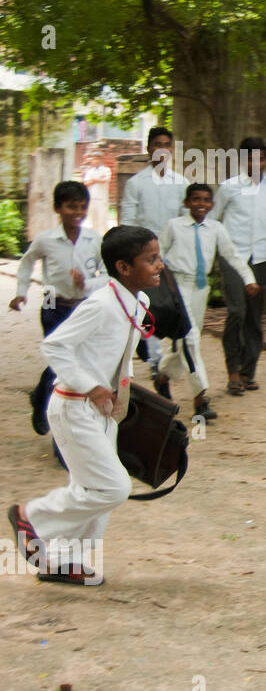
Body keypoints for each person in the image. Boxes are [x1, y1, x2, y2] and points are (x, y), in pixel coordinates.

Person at [7, 225, 163, 585]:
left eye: (158, 257)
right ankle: (30, 516)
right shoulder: (101, 305)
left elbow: (116, 356)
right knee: (112, 488)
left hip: (105, 411)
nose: (159, 265)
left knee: (89, 490)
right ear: (124, 267)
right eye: (150, 259)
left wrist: (119, 395)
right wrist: (92, 386)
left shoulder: (139, 302)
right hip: (74, 407)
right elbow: (54, 346)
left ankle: (60, 562)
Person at [9, 181, 107, 435]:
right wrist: (21, 293)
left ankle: (52, 401)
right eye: (70, 206)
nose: (77, 211)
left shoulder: (94, 240)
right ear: (57, 208)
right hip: (54, 305)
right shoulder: (46, 240)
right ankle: (43, 403)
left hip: (83, 306)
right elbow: (26, 264)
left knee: (76, 360)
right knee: (59, 359)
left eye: (82, 206)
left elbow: (107, 275)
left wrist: (88, 283)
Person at [156, 183, 259, 421]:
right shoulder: (174, 226)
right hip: (178, 286)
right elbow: (158, 254)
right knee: (190, 340)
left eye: (205, 200)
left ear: (212, 205)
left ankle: (162, 377)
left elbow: (232, 255)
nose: (200, 204)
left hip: (201, 289)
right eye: (195, 199)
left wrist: (248, 279)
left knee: (188, 341)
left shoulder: (216, 229)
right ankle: (200, 397)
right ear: (186, 203)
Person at [212, 136, 266, 396]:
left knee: (254, 318)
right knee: (237, 311)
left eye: (260, 158)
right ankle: (233, 371)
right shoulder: (228, 187)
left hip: (260, 257)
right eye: (250, 158)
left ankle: (248, 372)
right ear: (242, 160)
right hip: (232, 257)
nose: (255, 163)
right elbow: (213, 220)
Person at [119, 127, 188, 375]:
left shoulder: (182, 184)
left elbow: (186, 222)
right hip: (145, 258)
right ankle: (155, 362)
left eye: (167, 145)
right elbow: (127, 222)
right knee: (148, 308)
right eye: (157, 144)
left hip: (175, 258)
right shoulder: (136, 184)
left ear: (172, 150)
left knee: (178, 307)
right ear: (149, 148)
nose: (162, 149)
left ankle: (175, 358)